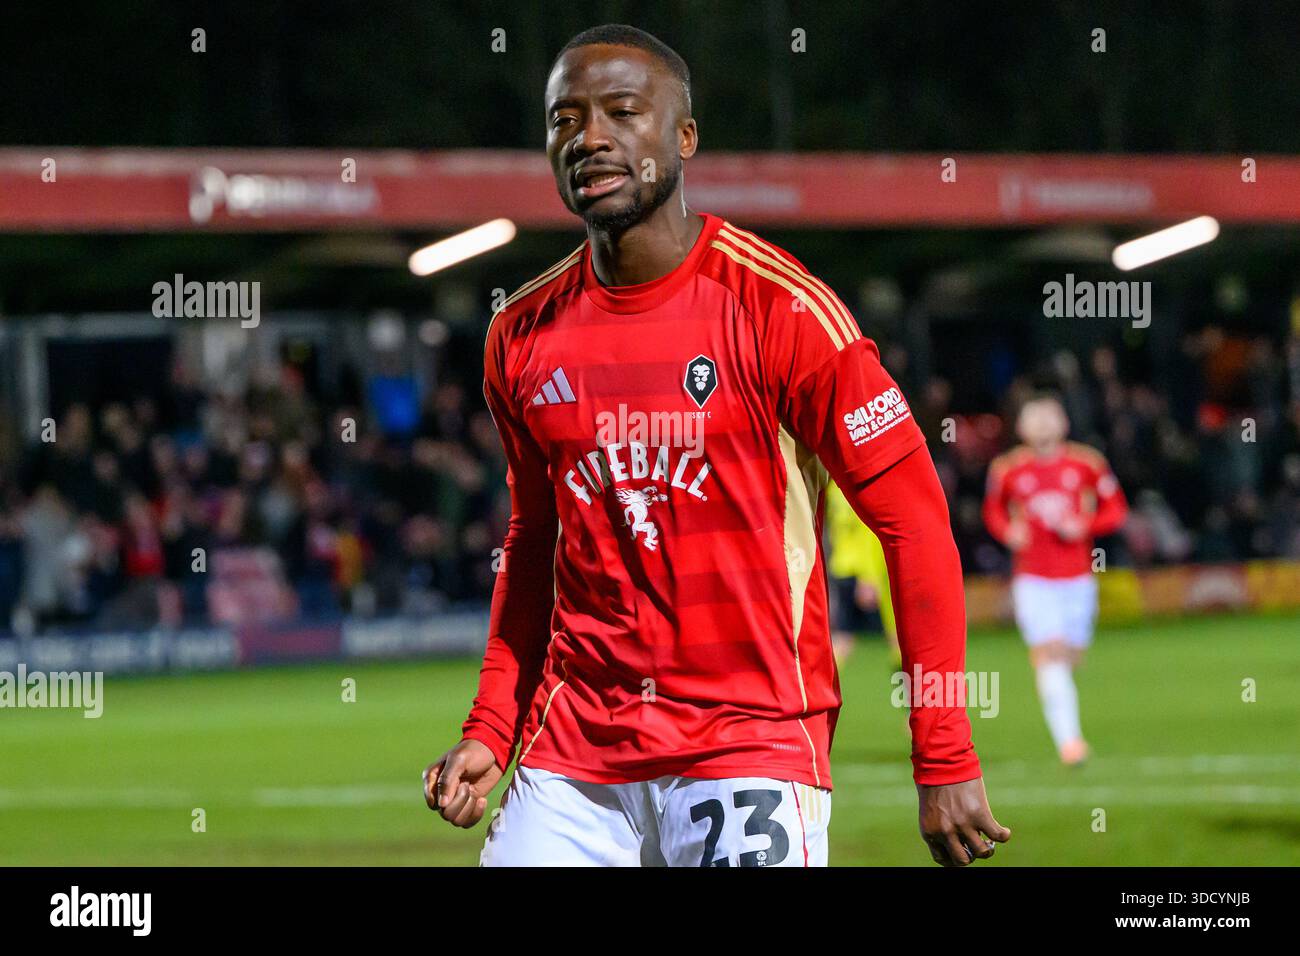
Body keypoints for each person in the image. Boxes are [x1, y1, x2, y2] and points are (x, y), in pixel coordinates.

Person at [423, 23, 1007, 867]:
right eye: (564, 120)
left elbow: (915, 524)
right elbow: (534, 543)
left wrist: (944, 748)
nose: (589, 137)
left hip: (749, 743)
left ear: (685, 137)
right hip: (575, 753)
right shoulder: (520, 335)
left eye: (622, 112)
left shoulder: (786, 313)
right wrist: (492, 724)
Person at [982, 394, 1129, 765]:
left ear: (1064, 422)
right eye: (1035, 417)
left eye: (1050, 416)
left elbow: (1116, 510)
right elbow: (993, 512)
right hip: (1033, 578)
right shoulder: (1007, 469)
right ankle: (1070, 743)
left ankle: (1068, 731)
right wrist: (1007, 531)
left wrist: (1084, 525)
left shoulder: (1087, 463)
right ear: (1021, 428)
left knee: (1071, 655)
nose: (1044, 424)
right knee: (1049, 654)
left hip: (1078, 577)